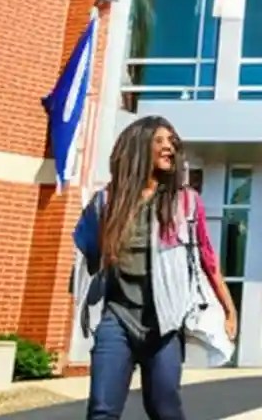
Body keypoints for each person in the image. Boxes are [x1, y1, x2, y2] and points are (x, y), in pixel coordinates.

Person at [73, 116, 238, 420]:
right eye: (160, 141)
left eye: (172, 143)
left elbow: (208, 261)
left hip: (166, 323)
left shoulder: (186, 203)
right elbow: (87, 254)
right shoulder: (107, 201)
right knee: (101, 411)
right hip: (119, 317)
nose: (169, 148)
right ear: (138, 147)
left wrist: (229, 309)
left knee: (165, 409)